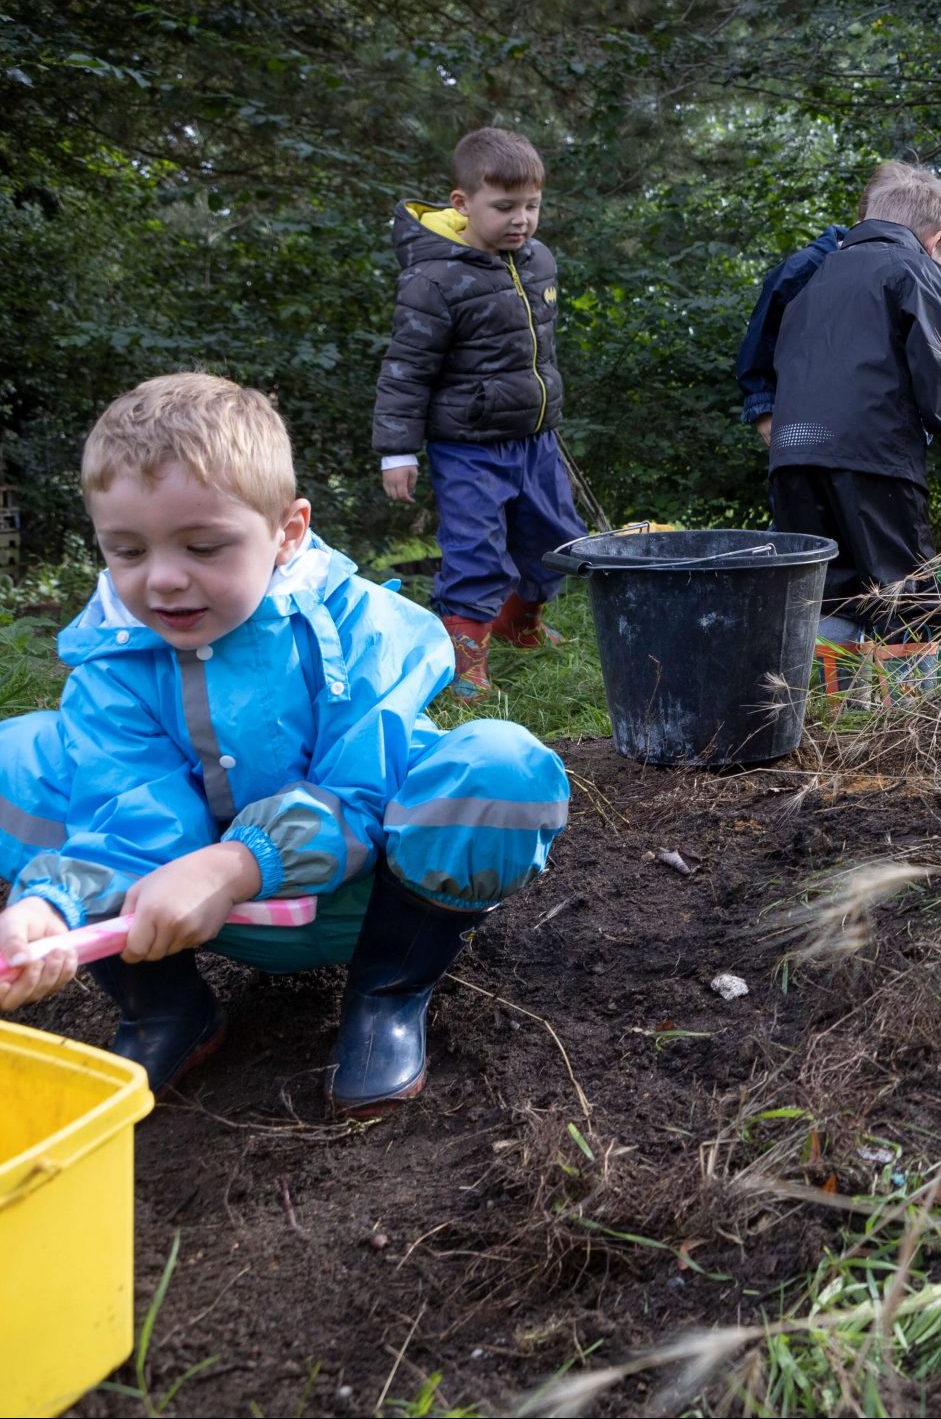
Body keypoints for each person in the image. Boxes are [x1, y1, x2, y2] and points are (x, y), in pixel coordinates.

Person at [0, 374, 569, 1112]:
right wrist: (53, 904)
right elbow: (121, 803)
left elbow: (362, 791)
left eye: (203, 545)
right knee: (20, 755)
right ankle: (165, 1008)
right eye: (127, 551)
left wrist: (233, 863)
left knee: (502, 767)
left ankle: (387, 995)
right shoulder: (113, 654)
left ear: (288, 531)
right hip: (178, 913)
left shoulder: (365, 625)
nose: (164, 579)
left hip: (363, 896)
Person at [764, 161, 941, 699]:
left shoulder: (813, 277)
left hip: (793, 458)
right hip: (872, 456)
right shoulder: (913, 269)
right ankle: (915, 722)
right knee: (905, 589)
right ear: (937, 240)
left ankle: (834, 715)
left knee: (829, 590)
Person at [373, 126, 586, 697]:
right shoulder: (434, 278)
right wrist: (398, 450)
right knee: (475, 550)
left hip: (536, 441)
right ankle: (464, 660)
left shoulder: (537, 260)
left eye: (532, 206)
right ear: (462, 204)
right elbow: (407, 367)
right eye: (505, 207)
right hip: (468, 446)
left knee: (559, 540)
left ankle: (518, 625)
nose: (521, 219)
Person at [735, 223, 848, 446]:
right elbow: (761, 334)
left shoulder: (895, 271)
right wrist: (762, 406)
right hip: (800, 419)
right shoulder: (803, 267)